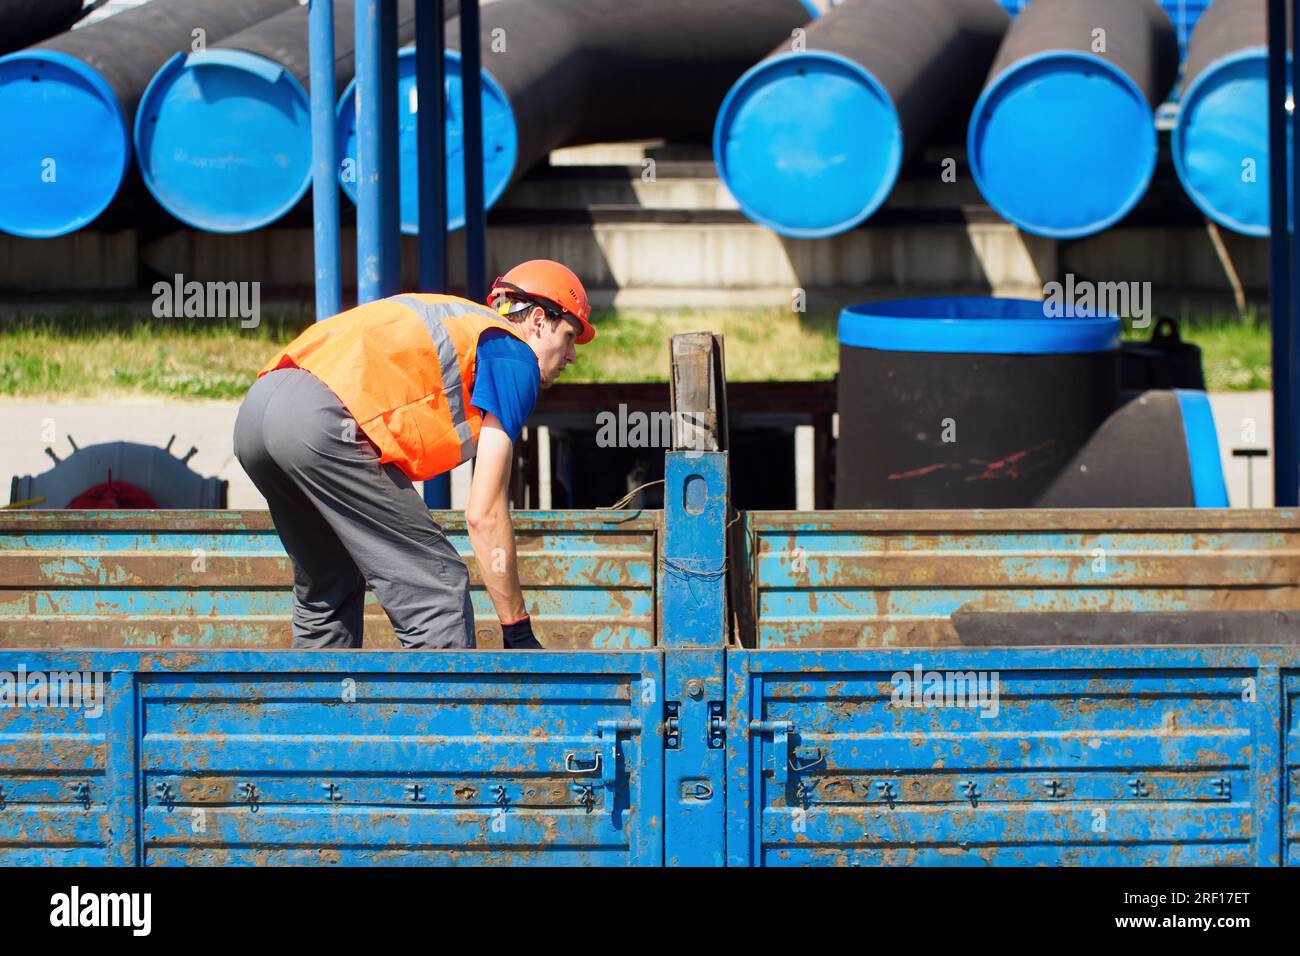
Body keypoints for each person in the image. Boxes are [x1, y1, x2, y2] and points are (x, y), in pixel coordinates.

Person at [232, 259, 594, 650]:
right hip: (319, 425)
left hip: (257, 415)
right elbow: (484, 514)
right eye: (570, 335)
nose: (571, 355)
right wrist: (517, 629)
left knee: (328, 587)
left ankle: (317, 711)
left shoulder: (467, 325)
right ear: (539, 320)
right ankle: (442, 711)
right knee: (436, 589)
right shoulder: (513, 354)